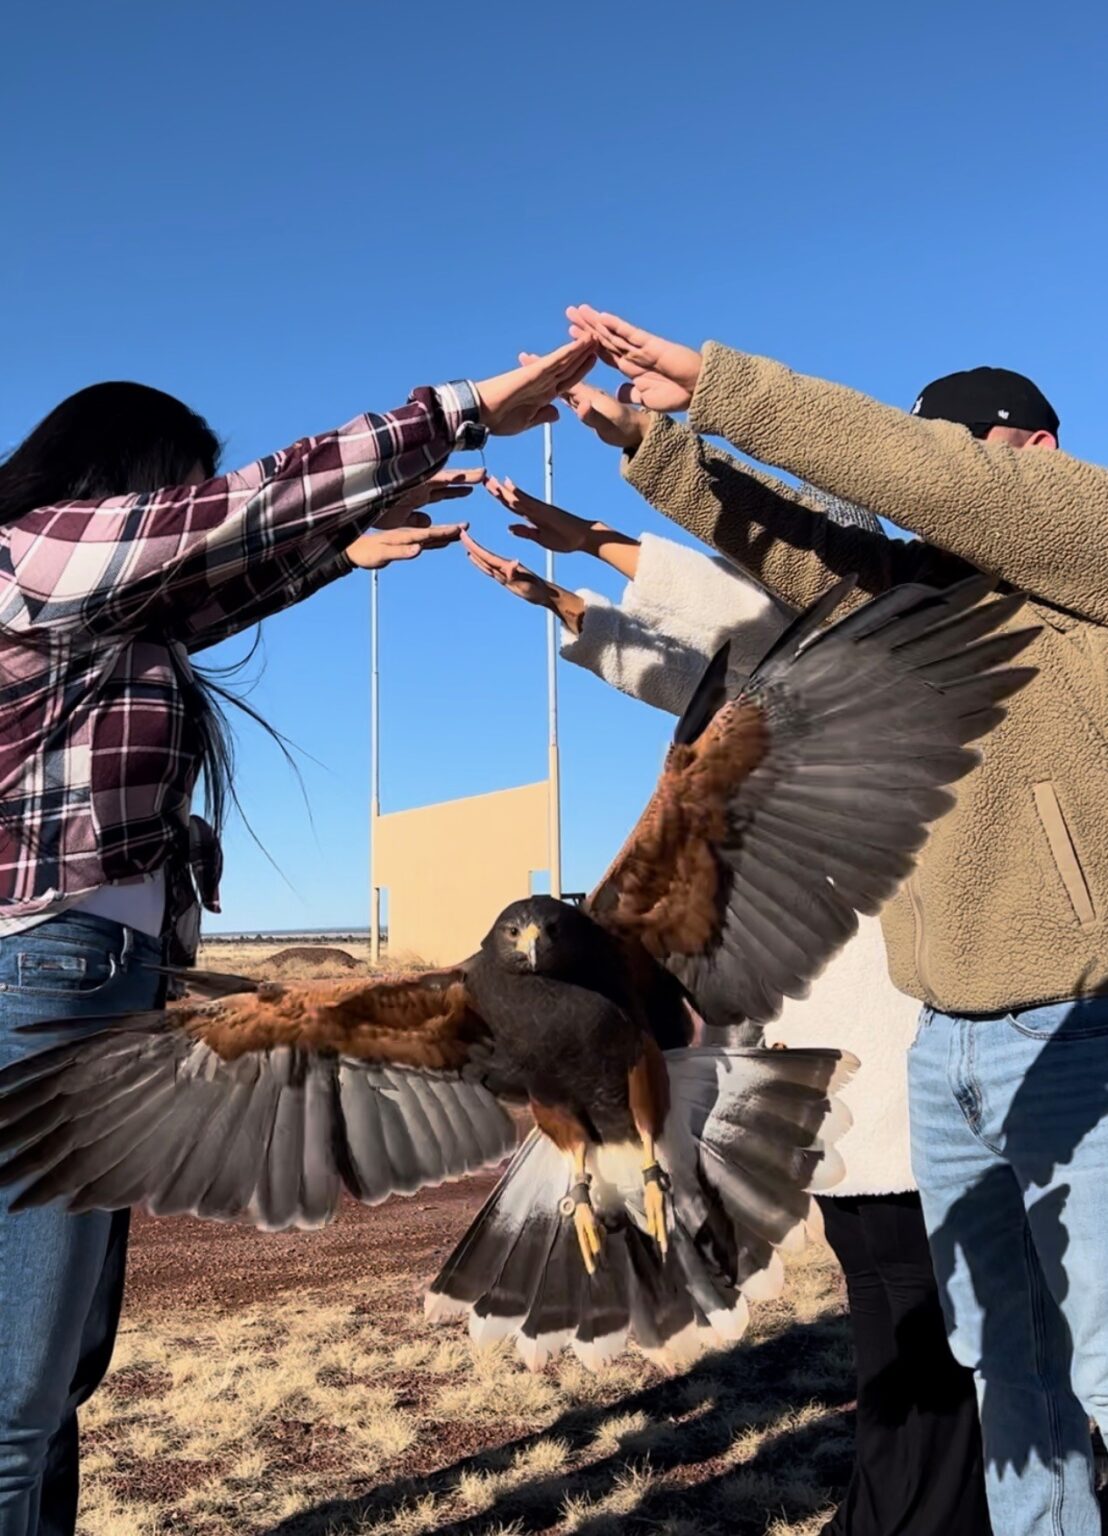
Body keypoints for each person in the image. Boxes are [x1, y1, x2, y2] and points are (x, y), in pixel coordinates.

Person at [0, 338, 593, 1536]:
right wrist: (462, 412)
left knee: (57, 1372)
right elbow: (240, 518)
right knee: (14, 1393)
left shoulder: (92, 611)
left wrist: (342, 540)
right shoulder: (35, 550)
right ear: (122, 473)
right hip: (46, 982)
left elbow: (226, 574)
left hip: (92, 989)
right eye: (175, 488)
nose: (186, 514)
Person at [563, 306, 1108, 1536]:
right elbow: (795, 544)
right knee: (1008, 1377)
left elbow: (901, 473)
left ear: (1028, 450)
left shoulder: (1089, 541)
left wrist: (717, 382)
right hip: (949, 1048)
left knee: (1104, 1364)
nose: (927, 500)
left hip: (1079, 1026)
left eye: (955, 459)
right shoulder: (926, 604)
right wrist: (657, 447)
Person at [465, 471, 992, 1536]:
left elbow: (751, 630)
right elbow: (696, 669)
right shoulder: (789, 677)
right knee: (892, 1295)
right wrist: (562, 600)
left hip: (905, 1020)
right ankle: (906, 1504)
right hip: (837, 1034)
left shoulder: (899, 646)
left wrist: (604, 542)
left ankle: (922, 1513)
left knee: (926, 1302)